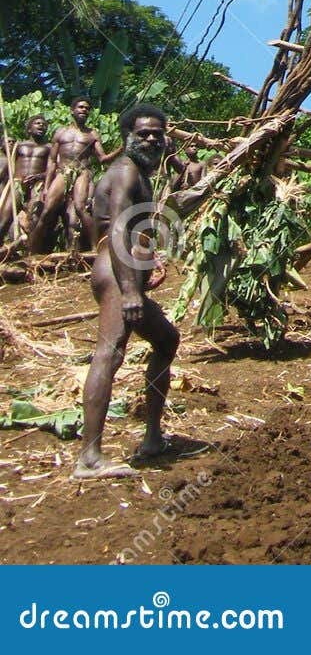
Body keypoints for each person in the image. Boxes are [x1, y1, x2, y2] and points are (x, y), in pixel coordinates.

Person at [74, 103, 181, 479]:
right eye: (142, 133)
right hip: (114, 270)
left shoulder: (141, 174)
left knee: (167, 339)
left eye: (156, 133)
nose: (151, 139)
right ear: (127, 137)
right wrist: (128, 289)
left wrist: (147, 262)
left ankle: (153, 437)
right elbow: (118, 228)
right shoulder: (124, 170)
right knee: (110, 351)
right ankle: (89, 458)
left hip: (127, 271)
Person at [37, 98, 111, 251]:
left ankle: (95, 247)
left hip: (82, 173)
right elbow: (52, 161)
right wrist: (46, 186)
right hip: (63, 172)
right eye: (81, 107)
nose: (84, 110)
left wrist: (122, 148)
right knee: (47, 210)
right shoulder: (61, 132)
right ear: (72, 110)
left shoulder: (92, 134)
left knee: (80, 208)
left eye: (87, 108)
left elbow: (103, 159)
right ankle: (32, 250)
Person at [0, 115, 52, 245]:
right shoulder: (19, 145)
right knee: (4, 218)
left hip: (37, 186)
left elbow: (54, 169)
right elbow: (10, 165)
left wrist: (40, 176)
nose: (41, 126)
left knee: (33, 219)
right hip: (18, 184)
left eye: (44, 124)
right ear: (29, 129)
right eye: (37, 123)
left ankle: (30, 252)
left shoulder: (49, 147)